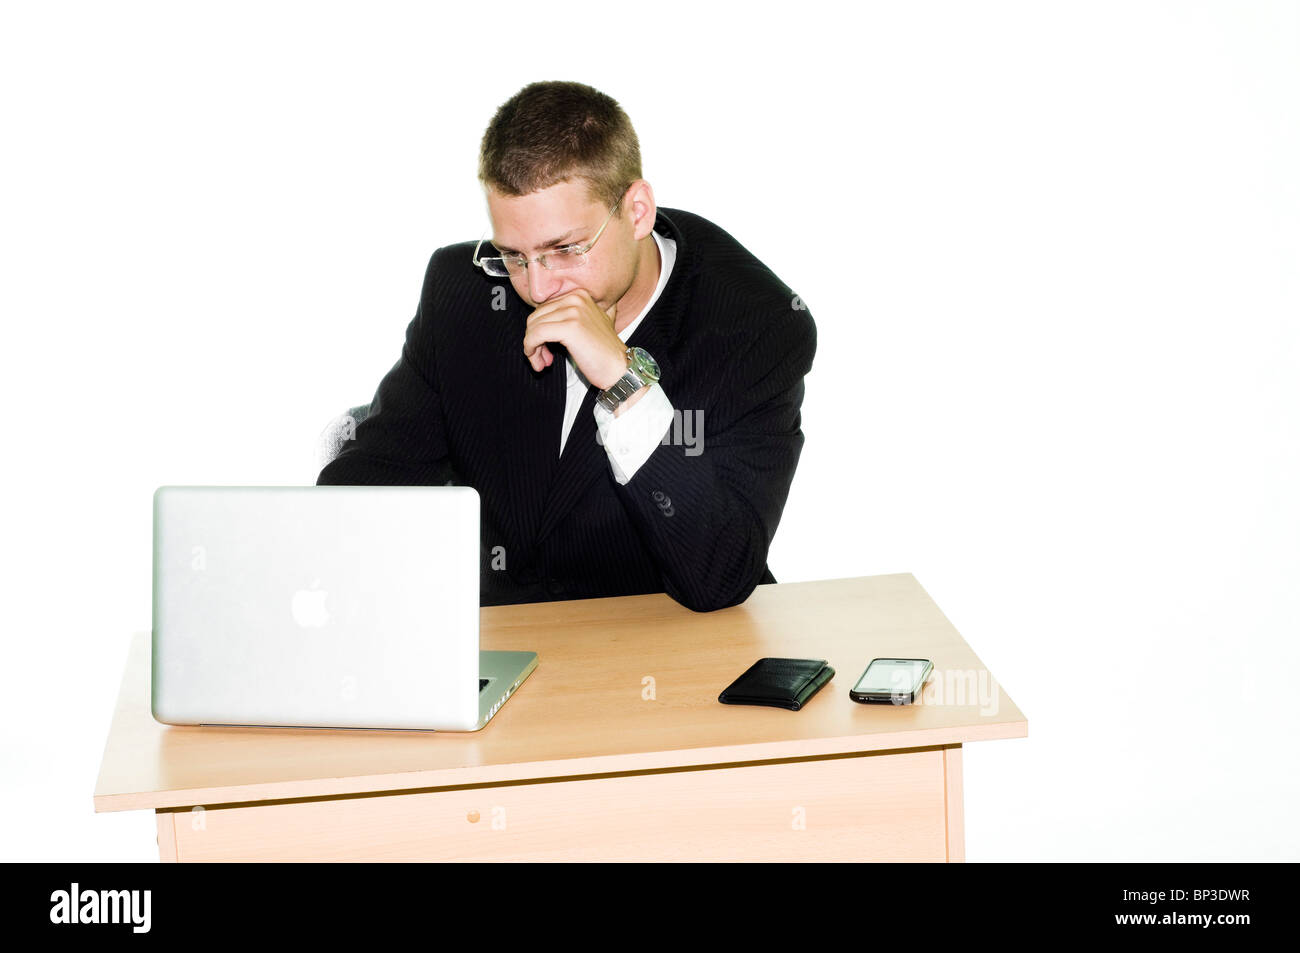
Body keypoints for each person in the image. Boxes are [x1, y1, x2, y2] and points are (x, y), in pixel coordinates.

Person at [318, 80, 816, 612]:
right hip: (504, 643)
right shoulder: (465, 291)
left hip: (667, 648)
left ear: (638, 211)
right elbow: (370, 486)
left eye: (565, 249)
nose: (536, 288)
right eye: (513, 255)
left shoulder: (755, 327)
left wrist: (625, 384)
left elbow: (720, 576)